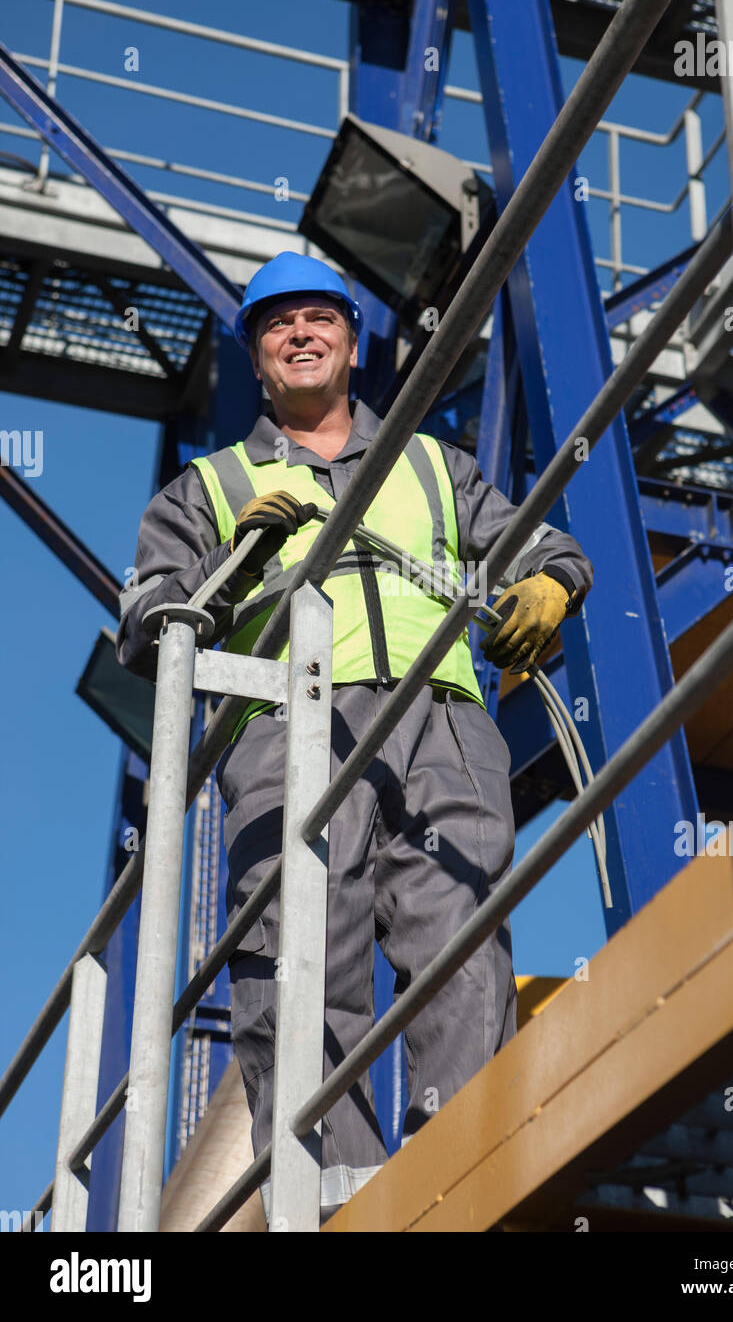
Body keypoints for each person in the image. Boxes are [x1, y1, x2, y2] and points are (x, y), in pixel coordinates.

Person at [116, 251, 594, 1224]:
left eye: (317, 319)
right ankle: (333, 1198)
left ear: (347, 341)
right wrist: (240, 557)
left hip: (441, 723)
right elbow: (149, 626)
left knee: (459, 945)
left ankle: (460, 1171)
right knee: (298, 961)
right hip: (286, 728)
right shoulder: (208, 487)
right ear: (259, 356)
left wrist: (548, 586)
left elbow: (544, 547)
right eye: (278, 324)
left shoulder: (428, 464)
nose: (300, 333)